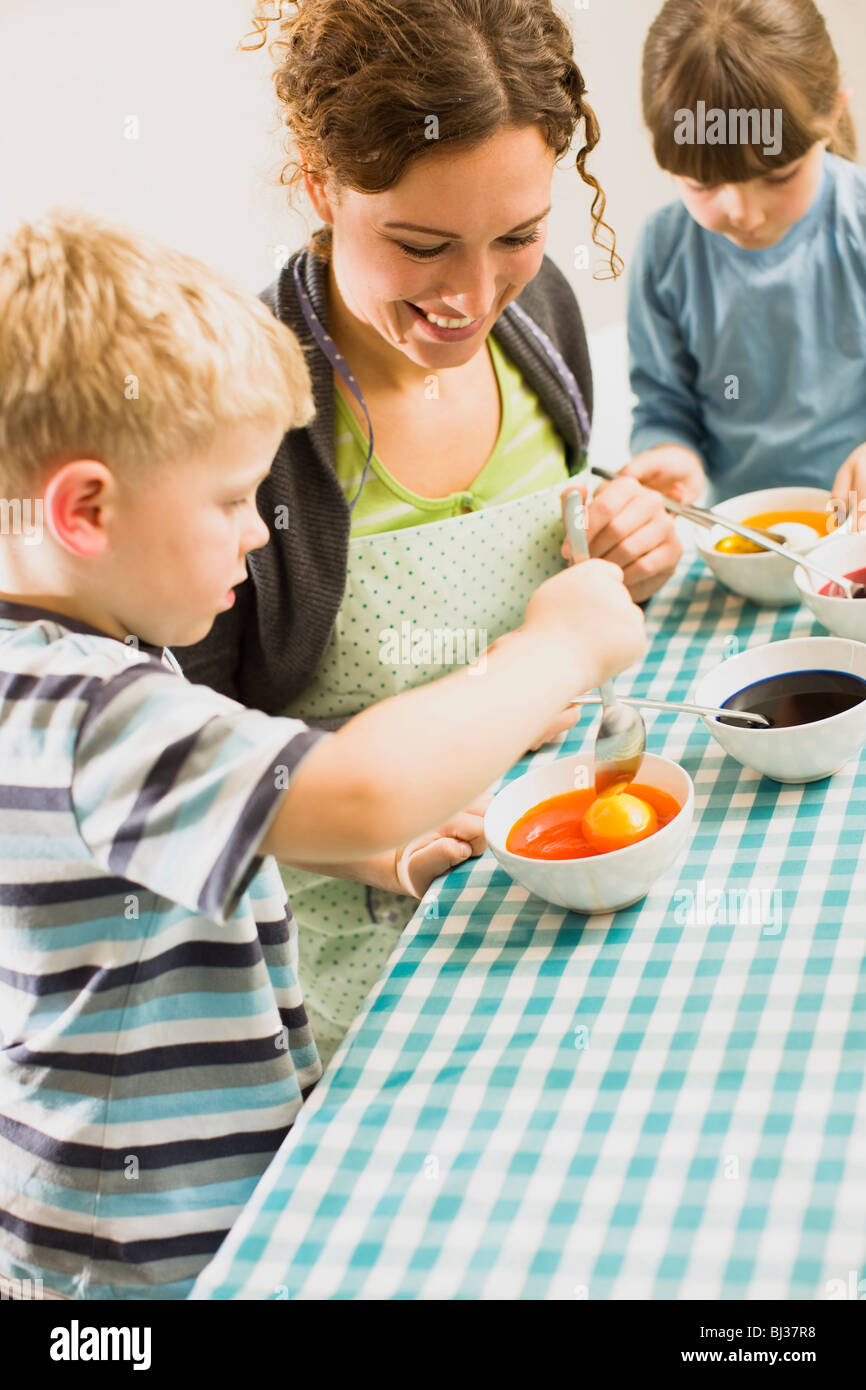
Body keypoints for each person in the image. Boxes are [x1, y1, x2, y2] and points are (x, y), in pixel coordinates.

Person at [0, 209, 645, 1299]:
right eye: (226, 501)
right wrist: (555, 648)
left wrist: (376, 855)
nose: (259, 532)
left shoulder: (86, 650)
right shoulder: (72, 708)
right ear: (86, 510)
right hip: (135, 1259)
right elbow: (350, 787)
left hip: (219, 1171)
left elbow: (218, 824)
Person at [174, 0, 683, 1066]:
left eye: (518, 235)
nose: (471, 295)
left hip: (570, 865)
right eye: (419, 244)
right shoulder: (234, 425)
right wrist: (373, 831)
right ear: (318, 183)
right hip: (369, 959)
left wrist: (614, 542)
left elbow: (557, 545)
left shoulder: (534, 318)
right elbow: (185, 771)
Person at [624, 0, 866, 511]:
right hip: (744, 534)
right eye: (703, 184)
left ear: (833, 116)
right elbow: (664, 405)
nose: (745, 214)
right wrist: (672, 454)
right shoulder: (664, 251)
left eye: (779, 177)